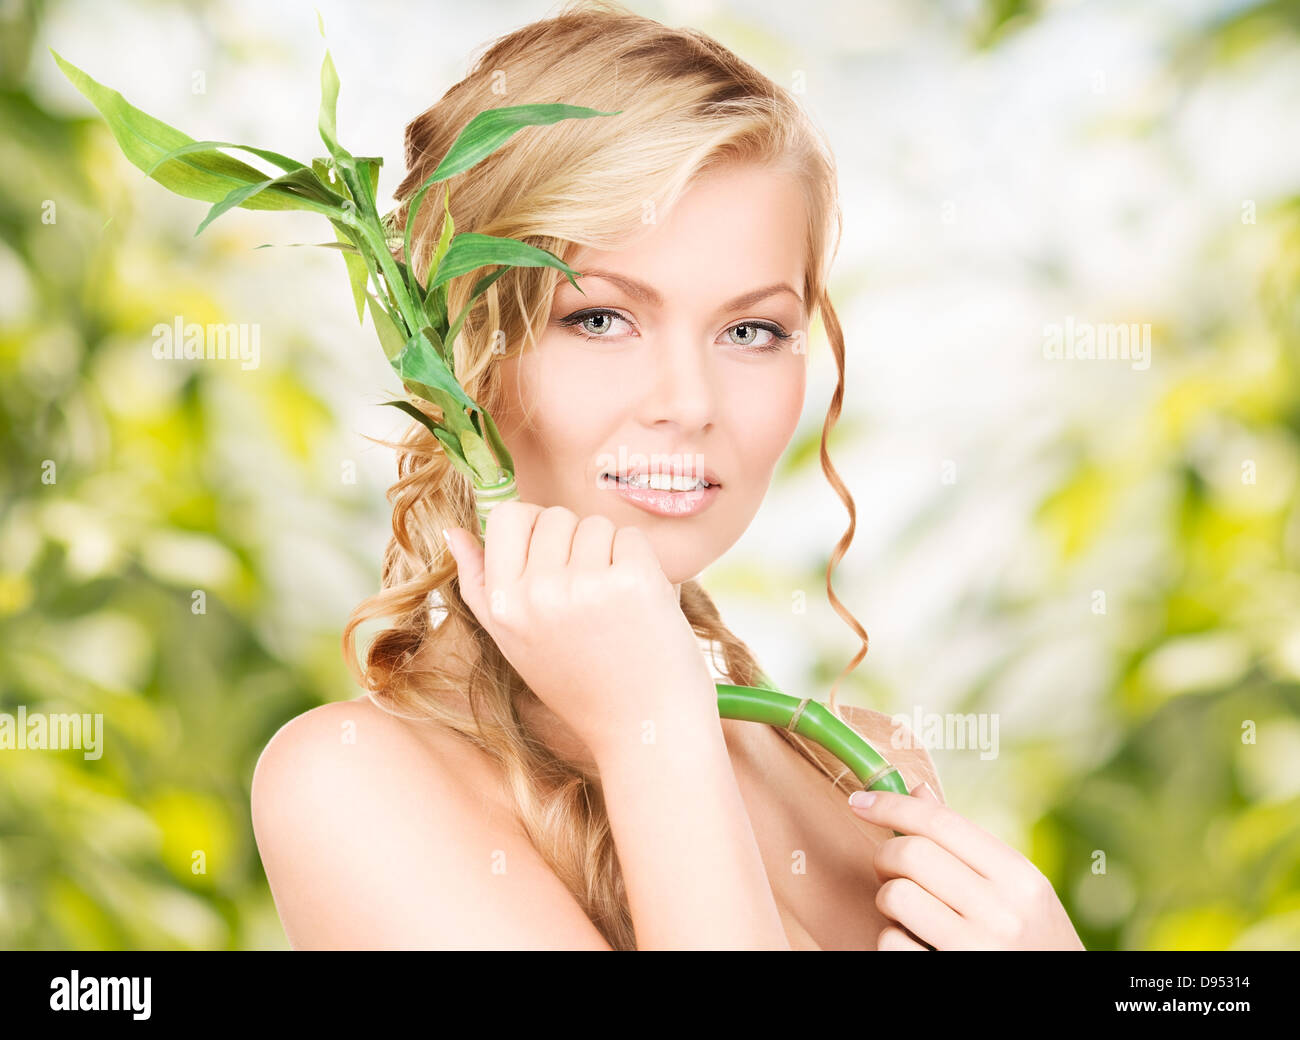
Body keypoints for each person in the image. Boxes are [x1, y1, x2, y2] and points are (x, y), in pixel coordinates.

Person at [251, 0, 1085, 951]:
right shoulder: (352, 783)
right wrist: (650, 726)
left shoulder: (865, 773)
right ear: (454, 346)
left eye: (751, 331)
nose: (689, 401)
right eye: (601, 318)